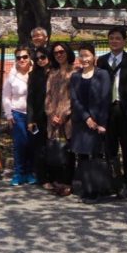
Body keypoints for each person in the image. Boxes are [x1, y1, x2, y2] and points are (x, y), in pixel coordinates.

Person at [96, 26, 127, 199]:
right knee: (109, 148)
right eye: (111, 38)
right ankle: (114, 181)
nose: (114, 41)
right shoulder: (102, 61)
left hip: (125, 108)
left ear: (124, 41)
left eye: (118, 38)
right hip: (107, 109)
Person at [70, 42, 111, 204]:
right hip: (82, 122)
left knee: (95, 155)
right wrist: (86, 117)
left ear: (94, 56)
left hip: (98, 122)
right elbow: (75, 99)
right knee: (83, 156)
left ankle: (97, 190)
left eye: (87, 55)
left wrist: (101, 122)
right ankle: (86, 189)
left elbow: (105, 99)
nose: (84, 59)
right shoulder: (75, 76)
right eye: (81, 55)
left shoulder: (103, 74)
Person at [44, 42, 76, 196]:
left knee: (68, 152)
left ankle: (67, 183)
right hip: (53, 119)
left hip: (68, 119)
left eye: (62, 51)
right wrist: (51, 114)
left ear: (68, 52)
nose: (59, 54)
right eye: (56, 53)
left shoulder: (75, 72)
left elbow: (74, 97)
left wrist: (63, 115)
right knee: (55, 150)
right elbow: (48, 96)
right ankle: (57, 181)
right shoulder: (52, 73)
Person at [3, 45, 36, 186]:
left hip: (34, 114)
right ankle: (18, 173)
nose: (22, 60)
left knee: (32, 144)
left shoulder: (36, 73)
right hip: (18, 113)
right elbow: (6, 96)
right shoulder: (12, 76)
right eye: (18, 57)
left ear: (29, 58)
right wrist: (9, 115)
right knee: (20, 144)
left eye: (25, 57)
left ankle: (30, 172)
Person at [26, 46, 51, 186]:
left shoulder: (55, 72)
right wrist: (30, 119)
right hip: (39, 116)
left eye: (43, 57)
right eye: (37, 58)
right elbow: (30, 99)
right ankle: (43, 178)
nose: (41, 60)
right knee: (40, 148)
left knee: (53, 146)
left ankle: (55, 176)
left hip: (54, 115)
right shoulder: (34, 75)